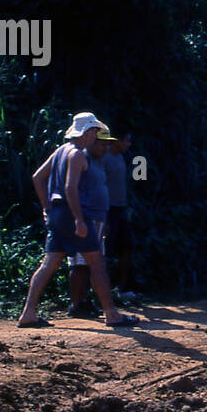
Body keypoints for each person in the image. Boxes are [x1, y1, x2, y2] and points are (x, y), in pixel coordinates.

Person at [17, 113, 139, 329]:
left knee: (49, 264)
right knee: (97, 264)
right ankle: (112, 314)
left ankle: (28, 313)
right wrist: (79, 220)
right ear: (88, 132)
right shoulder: (77, 155)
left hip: (57, 215)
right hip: (73, 215)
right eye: (94, 131)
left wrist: (46, 207)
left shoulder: (60, 151)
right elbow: (69, 188)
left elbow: (38, 177)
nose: (95, 136)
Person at [67, 129, 114, 317]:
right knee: (79, 264)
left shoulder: (99, 163)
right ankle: (76, 304)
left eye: (106, 144)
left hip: (98, 218)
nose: (105, 147)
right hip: (85, 218)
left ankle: (84, 301)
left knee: (91, 265)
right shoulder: (81, 159)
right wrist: (79, 219)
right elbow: (72, 189)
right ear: (91, 142)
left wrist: (105, 220)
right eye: (101, 143)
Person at [102, 127, 136, 298]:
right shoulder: (104, 157)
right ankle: (104, 292)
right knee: (106, 251)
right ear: (117, 140)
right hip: (108, 211)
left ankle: (121, 289)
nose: (129, 144)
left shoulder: (122, 157)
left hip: (121, 209)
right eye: (126, 140)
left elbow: (138, 177)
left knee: (126, 248)